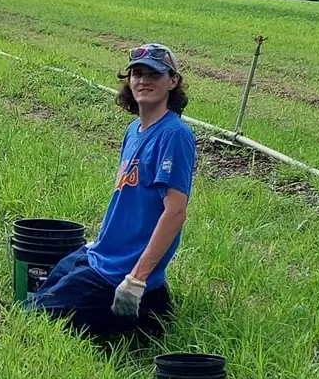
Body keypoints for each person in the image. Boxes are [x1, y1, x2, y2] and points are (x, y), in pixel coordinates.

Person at [28, 43, 195, 338]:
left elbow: (175, 213)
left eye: (154, 74)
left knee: (38, 322)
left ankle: (146, 310)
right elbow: (129, 199)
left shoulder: (174, 135)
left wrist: (137, 280)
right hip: (102, 254)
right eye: (137, 73)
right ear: (128, 81)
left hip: (121, 272)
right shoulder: (134, 130)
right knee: (36, 297)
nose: (144, 81)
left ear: (172, 81)